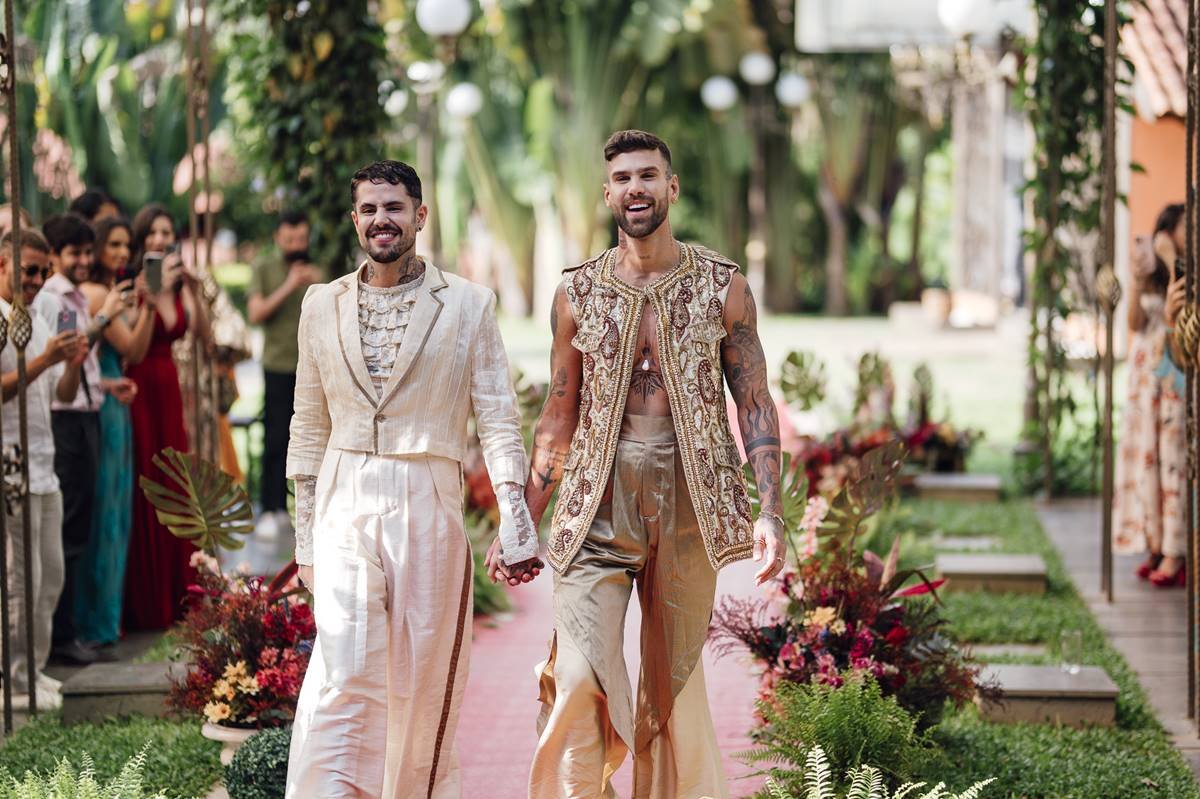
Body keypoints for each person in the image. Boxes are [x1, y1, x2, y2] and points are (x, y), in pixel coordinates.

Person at [490, 130, 786, 798]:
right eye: (622, 178)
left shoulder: (722, 285)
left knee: (672, 691)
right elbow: (557, 417)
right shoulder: (577, 293)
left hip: (690, 504)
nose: (636, 188)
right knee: (577, 676)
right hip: (597, 501)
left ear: (671, 188)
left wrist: (771, 511)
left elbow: (756, 403)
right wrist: (519, 520)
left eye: (648, 175)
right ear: (607, 194)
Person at [285, 160, 533, 798]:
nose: (381, 220)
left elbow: (500, 420)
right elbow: (307, 427)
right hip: (345, 493)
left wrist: (515, 516)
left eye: (393, 208)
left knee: (425, 675)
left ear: (420, 216)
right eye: (368, 209)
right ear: (354, 219)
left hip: (428, 492)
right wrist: (305, 536)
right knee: (344, 664)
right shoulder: (321, 303)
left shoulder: (470, 304)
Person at [33, 214, 131, 664]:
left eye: (86, 252)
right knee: (71, 527)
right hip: (66, 418)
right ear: (55, 257)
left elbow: (79, 360)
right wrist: (107, 314)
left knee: (80, 523)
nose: (84, 260)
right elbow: (69, 355)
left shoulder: (71, 295)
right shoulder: (54, 298)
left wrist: (107, 386)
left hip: (86, 409)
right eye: (74, 252)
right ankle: (63, 637)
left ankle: (70, 632)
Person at [0, 228, 88, 706]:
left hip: (44, 461)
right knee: (20, 582)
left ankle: (33, 669)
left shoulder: (40, 314)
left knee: (51, 575)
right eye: (28, 270)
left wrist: (72, 362)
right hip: (10, 466)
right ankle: (16, 681)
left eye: (42, 271)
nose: (36, 280)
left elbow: (63, 395)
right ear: (3, 266)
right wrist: (46, 359)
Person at [123, 204, 212, 630]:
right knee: (148, 478)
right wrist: (144, 297)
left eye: (165, 231)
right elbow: (132, 351)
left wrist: (192, 287)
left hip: (170, 388)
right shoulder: (132, 288)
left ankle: (177, 590)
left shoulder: (178, 289)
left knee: (175, 483)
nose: (159, 238)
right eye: (152, 233)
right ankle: (146, 600)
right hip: (142, 387)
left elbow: (204, 335)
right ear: (142, 241)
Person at [77, 216, 154, 652]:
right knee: (104, 510)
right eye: (116, 245)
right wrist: (148, 303)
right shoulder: (94, 295)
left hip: (115, 401)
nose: (123, 253)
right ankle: (95, 620)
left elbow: (136, 349)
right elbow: (131, 348)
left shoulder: (114, 294)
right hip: (102, 404)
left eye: (128, 245)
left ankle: (109, 615)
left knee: (118, 510)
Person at [247, 209, 322, 537]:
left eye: (301, 239)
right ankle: (273, 508)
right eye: (290, 239)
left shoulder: (321, 269)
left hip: (316, 368)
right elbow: (255, 313)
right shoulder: (264, 268)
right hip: (278, 365)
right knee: (276, 438)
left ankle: (315, 511)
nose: (296, 244)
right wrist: (290, 285)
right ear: (279, 238)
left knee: (318, 438)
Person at [1140, 204, 1189, 589]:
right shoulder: (1163, 274)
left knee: (1175, 461)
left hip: (1178, 370)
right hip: (1169, 370)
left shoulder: (1183, 269)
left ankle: (1175, 548)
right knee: (1162, 459)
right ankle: (1161, 543)